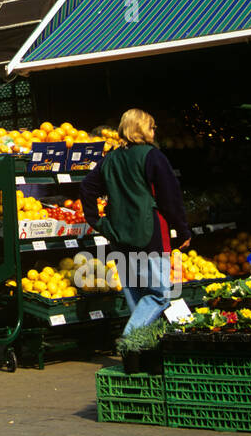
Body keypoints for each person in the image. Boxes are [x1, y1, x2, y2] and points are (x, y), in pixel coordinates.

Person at [80, 108, 192, 336]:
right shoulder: (152, 156)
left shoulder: (110, 159)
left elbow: (87, 187)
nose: (154, 131)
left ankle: (141, 354)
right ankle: (130, 341)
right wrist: (182, 230)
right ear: (141, 129)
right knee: (159, 294)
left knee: (136, 294)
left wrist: (97, 221)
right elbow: (170, 198)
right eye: (151, 126)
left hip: (119, 237)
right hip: (150, 235)